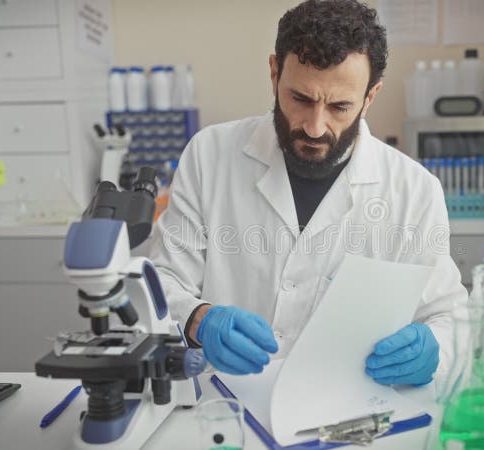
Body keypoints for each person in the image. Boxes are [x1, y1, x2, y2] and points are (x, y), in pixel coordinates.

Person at [148, 0, 467, 386]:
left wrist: (435, 348)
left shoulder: (414, 191)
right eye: (301, 99)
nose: (315, 127)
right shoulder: (209, 155)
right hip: (223, 406)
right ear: (273, 73)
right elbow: (161, 281)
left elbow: (449, 318)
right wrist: (197, 319)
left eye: (340, 106)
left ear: (370, 96)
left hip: (351, 416)